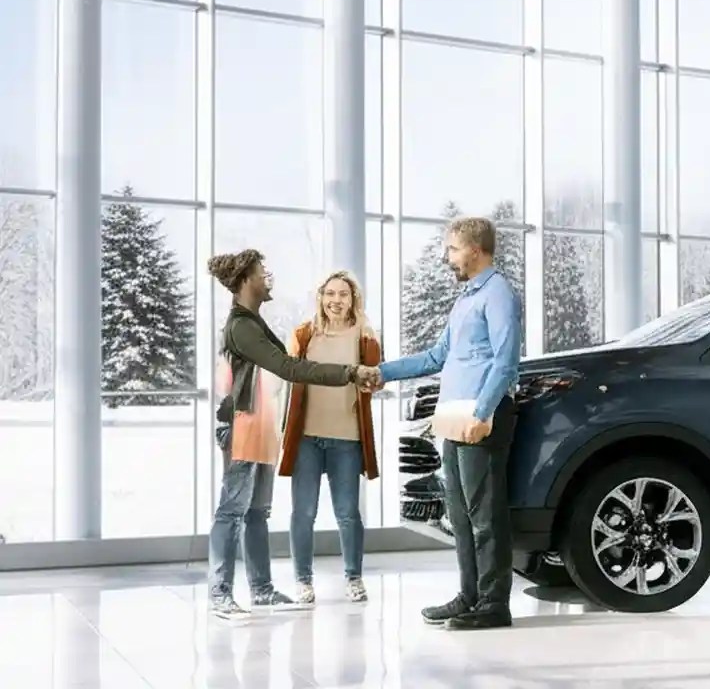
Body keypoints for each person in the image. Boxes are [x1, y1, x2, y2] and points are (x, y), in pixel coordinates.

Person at [361, 216, 522, 630]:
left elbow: (505, 362)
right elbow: (437, 357)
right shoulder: (465, 298)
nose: (446, 256)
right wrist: (383, 371)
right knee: (461, 514)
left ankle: (494, 604)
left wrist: (482, 413)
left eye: (452, 248)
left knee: (485, 515)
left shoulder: (498, 293)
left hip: (480, 416)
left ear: (476, 249)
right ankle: (470, 596)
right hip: (453, 418)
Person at [207, 249, 378, 621]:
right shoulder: (241, 326)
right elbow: (288, 367)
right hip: (240, 424)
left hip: (262, 426)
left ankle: (262, 590)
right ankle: (219, 593)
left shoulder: (254, 320)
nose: (268, 276)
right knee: (232, 510)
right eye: (261, 272)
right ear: (245, 280)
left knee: (257, 513)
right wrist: (348, 373)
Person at [280, 270, 382, 605]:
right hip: (307, 438)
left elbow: (373, 382)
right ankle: (302, 580)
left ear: (353, 300)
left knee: (348, 513)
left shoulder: (365, 339)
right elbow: (287, 379)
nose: (335, 301)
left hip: (347, 439)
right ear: (320, 297)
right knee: (303, 512)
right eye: (330, 294)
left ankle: (354, 578)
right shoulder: (304, 335)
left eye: (343, 294)